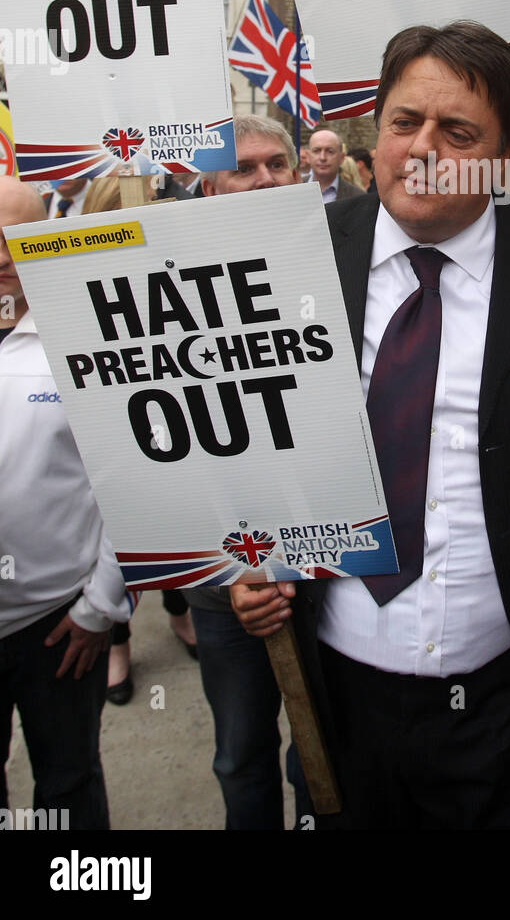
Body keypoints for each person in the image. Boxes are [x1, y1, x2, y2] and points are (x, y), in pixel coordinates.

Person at [231, 21, 510, 830]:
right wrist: (247, 562)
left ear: (504, 151)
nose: (422, 148)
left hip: (508, 691)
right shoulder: (290, 256)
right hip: (337, 687)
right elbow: (247, 438)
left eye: (457, 132)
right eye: (404, 123)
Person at [189, 115, 319, 829]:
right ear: (208, 186)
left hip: (327, 571)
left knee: (319, 752)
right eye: (245, 167)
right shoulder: (158, 284)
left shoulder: (340, 271)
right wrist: (227, 572)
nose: (266, 179)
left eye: (279, 164)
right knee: (241, 753)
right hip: (220, 585)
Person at [0, 175, 130, 829]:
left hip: (55, 626)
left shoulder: (85, 338)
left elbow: (128, 480)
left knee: (69, 783)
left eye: (14, 235)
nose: (0, 253)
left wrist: (99, 606)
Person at [307, 129, 363, 202]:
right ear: (308, 156)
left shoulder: (357, 197)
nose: (322, 157)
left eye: (330, 151)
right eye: (316, 151)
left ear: (341, 158)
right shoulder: (293, 188)